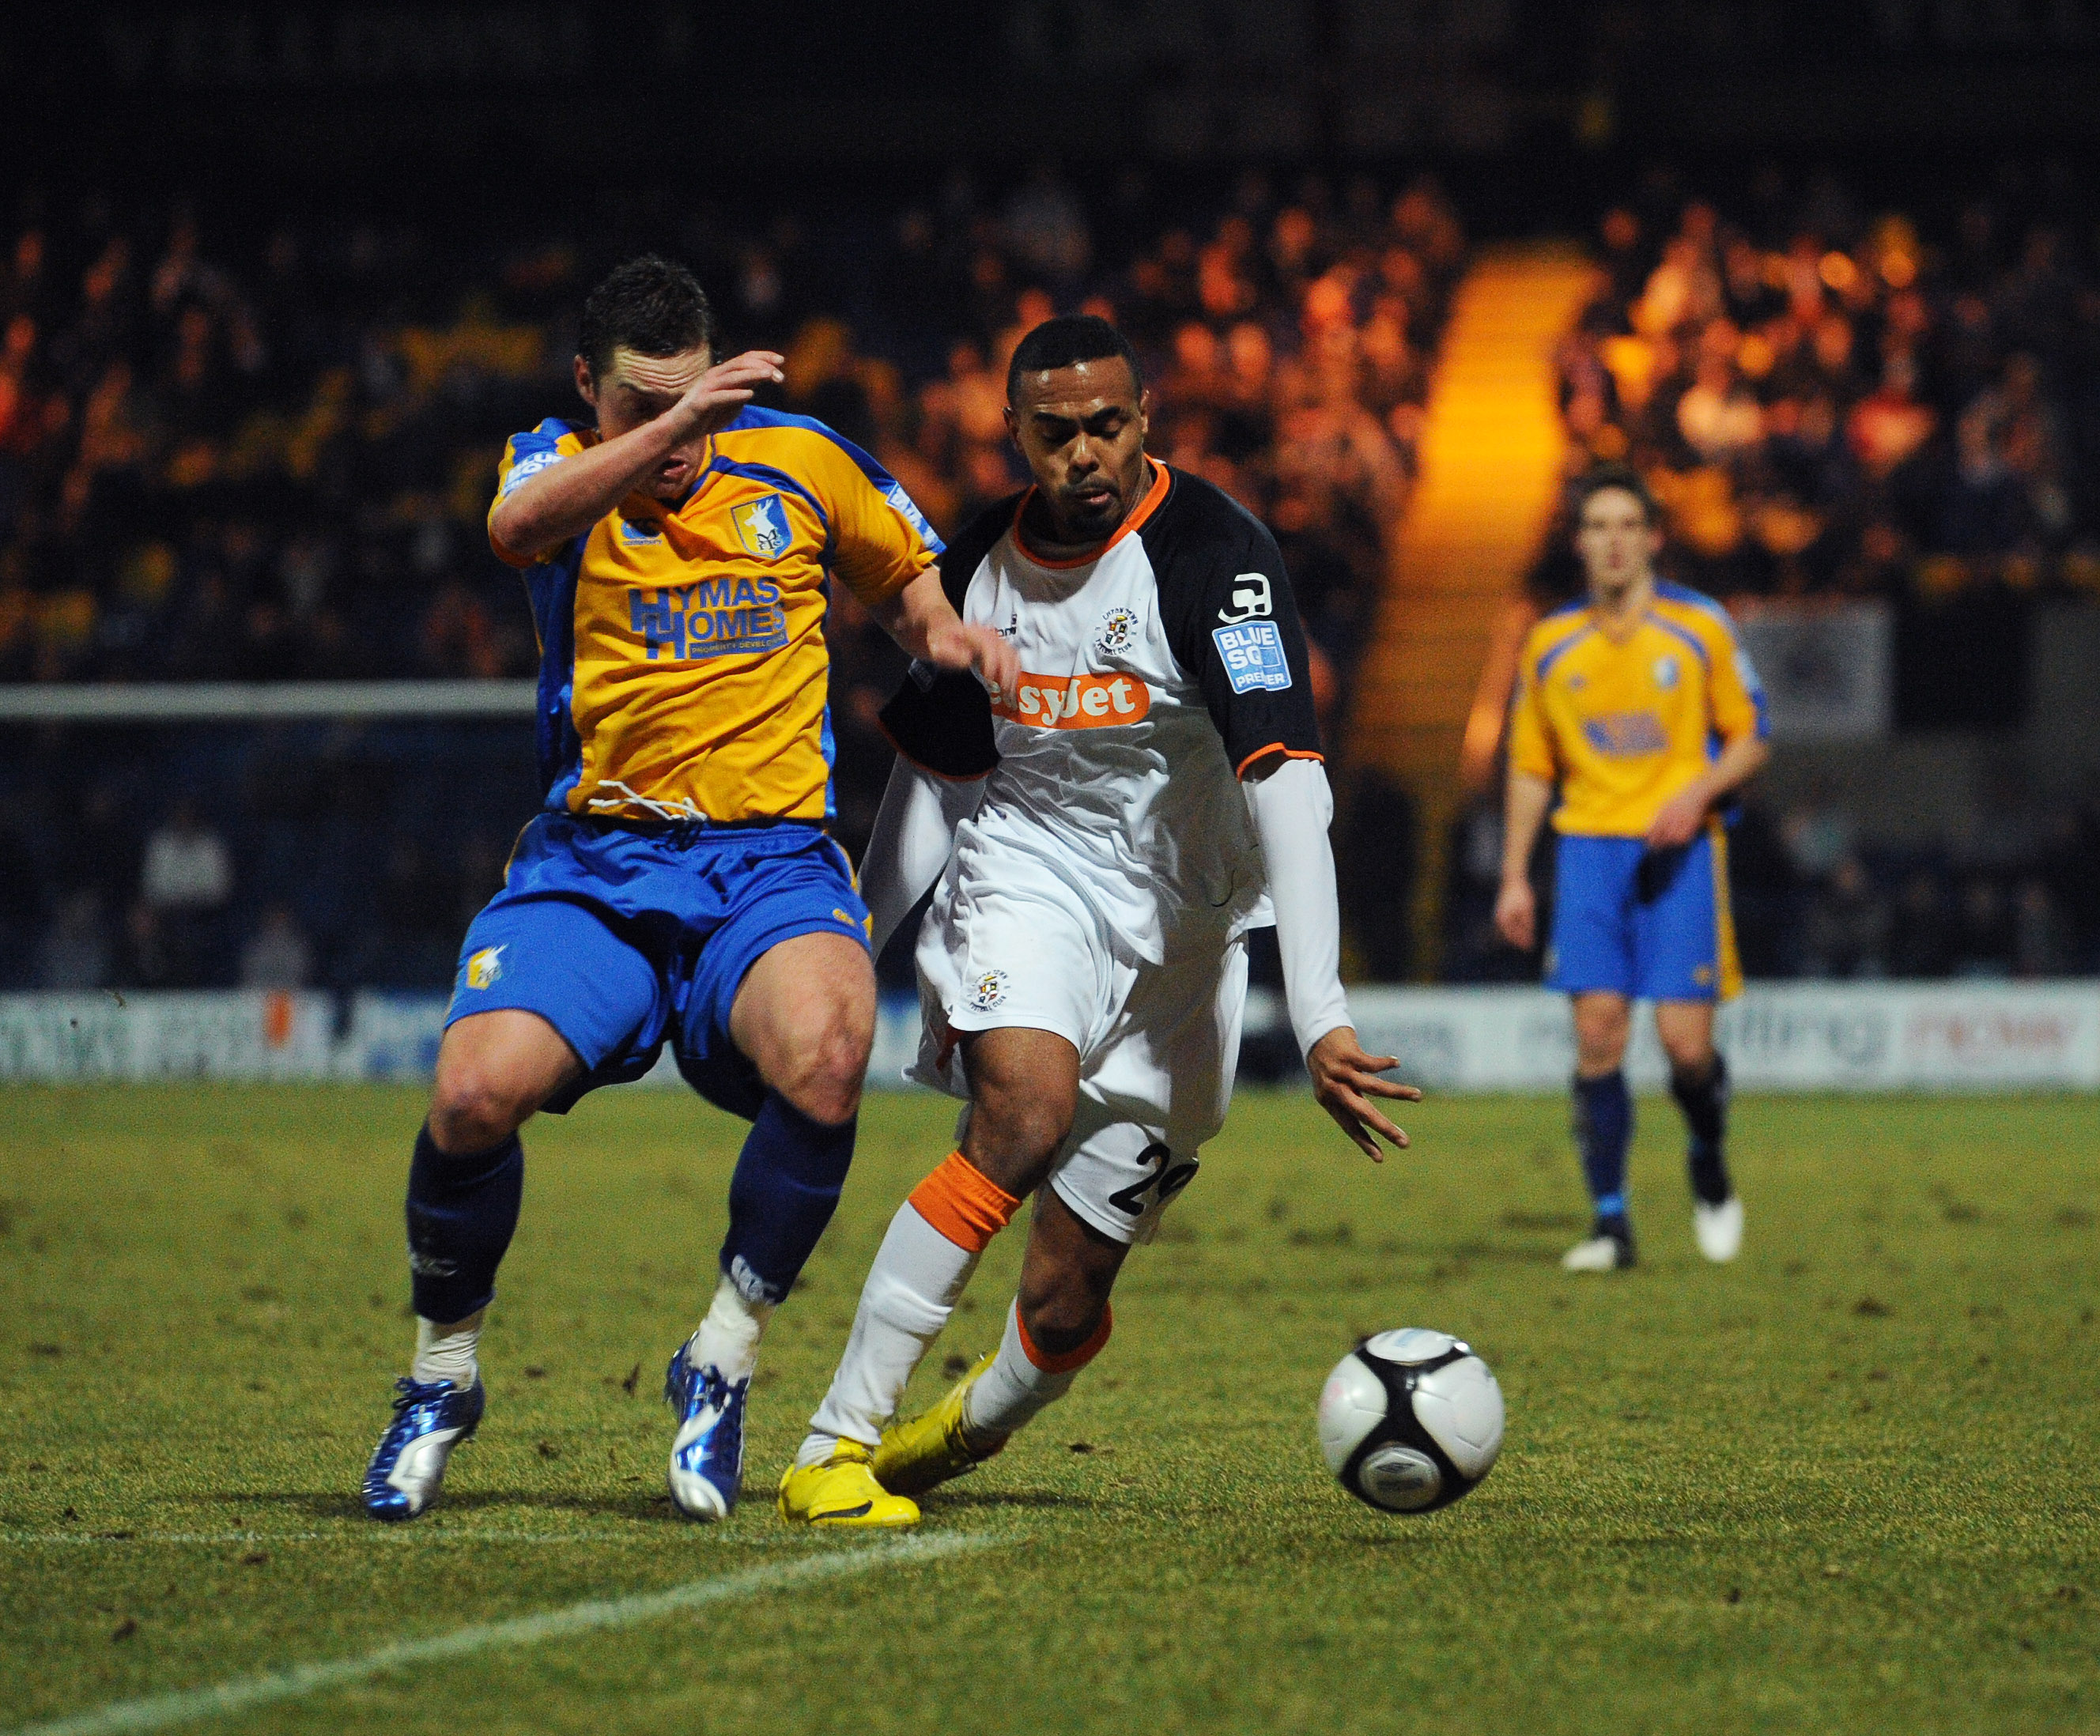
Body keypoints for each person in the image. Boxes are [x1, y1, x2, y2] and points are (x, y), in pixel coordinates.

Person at [361, 256, 1016, 1523]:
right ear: (586, 388)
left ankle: (721, 1355)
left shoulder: (800, 462)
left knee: (831, 1056)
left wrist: (949, 636)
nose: (677, 437)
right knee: (472, 1095)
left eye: (694, 402)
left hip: (769, 864)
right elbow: (514, 531)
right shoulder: (551, 463)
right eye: (642, 408)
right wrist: (670, 431)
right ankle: (441, 1377)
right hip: (597, 862)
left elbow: (907, 587)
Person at [775, 315, 1419, 1528]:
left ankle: (952, 1434)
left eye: (1108, 425)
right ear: (1016, 433)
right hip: (1028, 876)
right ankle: (832, 1444)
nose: (1085, 453)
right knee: (1022, 1114)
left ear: (1145, 420)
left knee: (1066, 1304)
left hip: (1188, 935)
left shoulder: (1217, 558)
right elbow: (941, 780)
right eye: (1057, 431)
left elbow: (1286, 780)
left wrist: (1320, 1010)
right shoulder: (974, 565)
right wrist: (852, 942)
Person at [1495, 464, 1770, 1272]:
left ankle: (1707, 1153)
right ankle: (1611, 1224)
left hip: (1680, 853)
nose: (1613, 542)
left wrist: (1699, 792)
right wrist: (1514, 874)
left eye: (1627, 526)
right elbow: (1530, 768)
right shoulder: (1550, 644)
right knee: (1597, 1034)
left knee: (1685, 1048)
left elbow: (1752, 736)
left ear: (1653, 538)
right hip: (1587, 851)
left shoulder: (1699, 628)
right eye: (1597, 526)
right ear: (1578, 542)